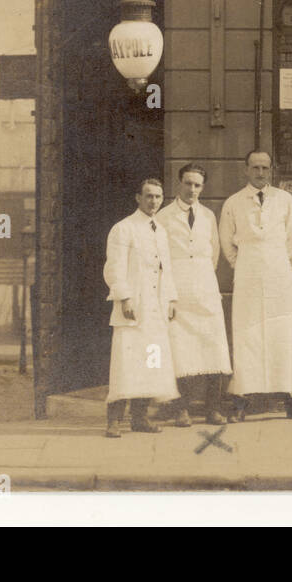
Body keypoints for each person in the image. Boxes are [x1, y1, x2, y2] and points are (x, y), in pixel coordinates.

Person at [219, 150, 292, 421]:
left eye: (265, 168)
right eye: (255, 167)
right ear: (245, 169)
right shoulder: (233, 203)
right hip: (248, 275)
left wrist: (276, 259)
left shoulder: (285, 199)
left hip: (279, 275)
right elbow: (226, 243)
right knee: (247, 335)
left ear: (271, 169)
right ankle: (241, 401)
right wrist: (244, 264)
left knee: (283, 335)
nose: (261, 173)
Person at [157, 163, 233, 427]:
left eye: (197, 185)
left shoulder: (208, 216)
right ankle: (181, 410)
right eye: (188, 183)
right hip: (178, 291)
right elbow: (160, 258)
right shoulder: (164, 216)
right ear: (179, 184)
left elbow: (213, 254)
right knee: (181, 351)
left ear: (203, 187)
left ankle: (213, 409)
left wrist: (202, 279)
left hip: (205, 289)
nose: (192, 189)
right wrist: (169, 293)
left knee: (214, 349)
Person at [103, 178, 180, 437]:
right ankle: (114, 421)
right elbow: (114, 267)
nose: (154, 202)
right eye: (148, 196)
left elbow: (166, 269)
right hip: (134, 305)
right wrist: (124, 298)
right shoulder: (123, 229)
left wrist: (170, 299)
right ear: (138, 198)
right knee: (126, 362)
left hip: (155, 308)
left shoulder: (160, 229)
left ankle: (140, 418)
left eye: (158, 197)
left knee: (150, 361)